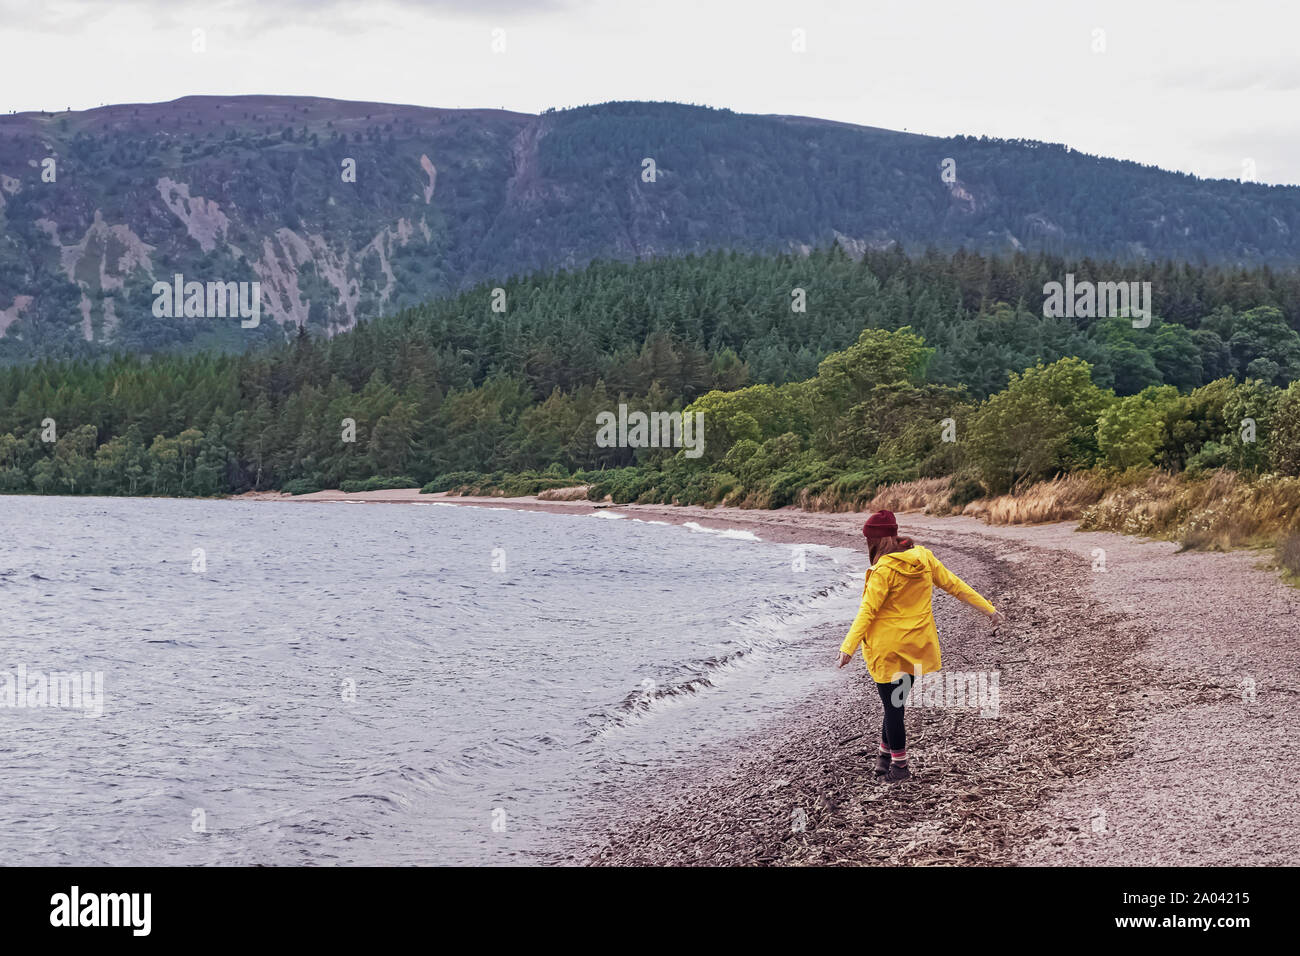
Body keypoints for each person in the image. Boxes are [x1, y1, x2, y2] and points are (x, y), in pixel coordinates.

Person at [836, 510, 1002, 782]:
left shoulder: (883, 570)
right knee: (895, 705)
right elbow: (955, 586)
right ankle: (883, 758)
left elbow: (867, 611)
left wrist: (848, 647)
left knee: (893, 708)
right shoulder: (923, 558)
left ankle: (900, 768)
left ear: (874, 540)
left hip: (887, 648)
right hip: (916, 644)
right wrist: (989, 610)